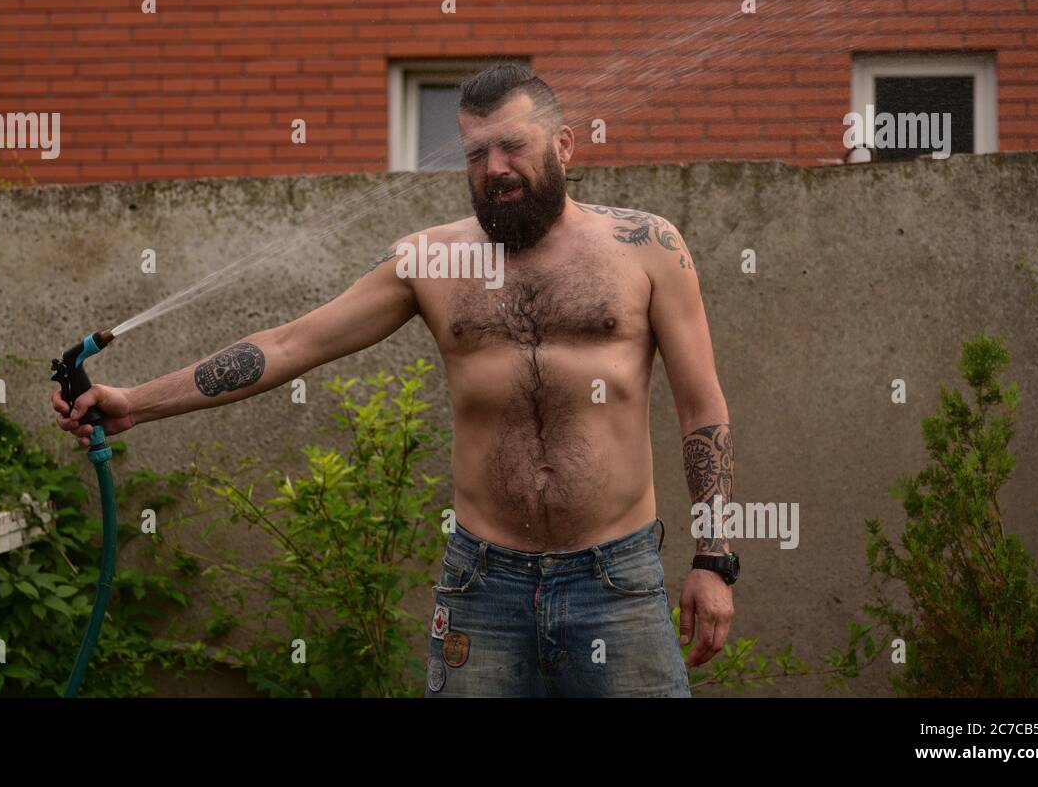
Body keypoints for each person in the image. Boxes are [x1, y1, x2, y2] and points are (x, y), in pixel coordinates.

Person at [52, 63, 737, 697]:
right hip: (483, 587)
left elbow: (701, 408)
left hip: (614, 581)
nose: (494, 168)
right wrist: (134, 402)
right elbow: (289, 344)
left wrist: (715, 557)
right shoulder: (431, 261)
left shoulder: (647, 247)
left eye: (512, 146)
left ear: (564, 146)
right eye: (475, 153)